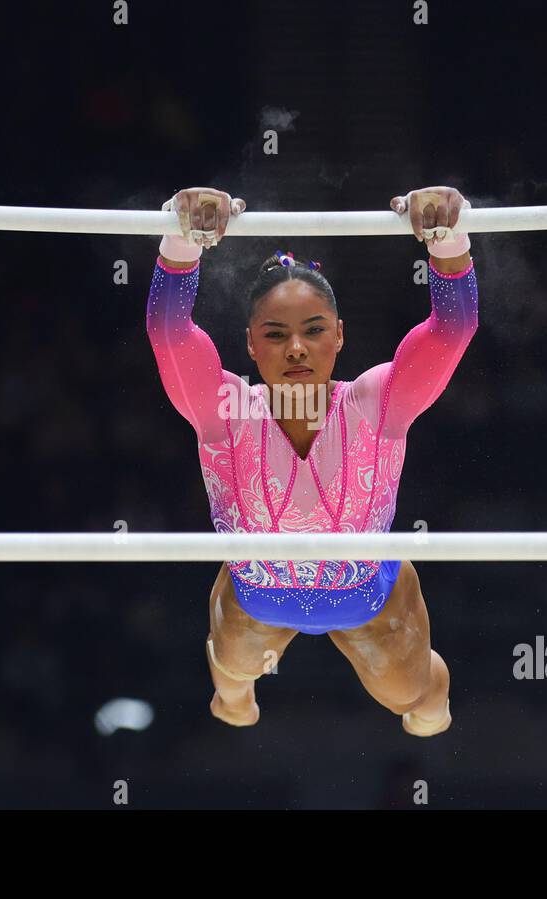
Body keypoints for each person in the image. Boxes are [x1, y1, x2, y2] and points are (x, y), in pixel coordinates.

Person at [146, 186, 478, 735]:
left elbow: (453, 329)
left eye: (314, 330)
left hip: (367, 595)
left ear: (340, 336)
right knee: (233, 684)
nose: (296, 348)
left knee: (417, 704)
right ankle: (235, 699)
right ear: (251, 345)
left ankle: (432, 697)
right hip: (257, 597)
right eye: (275, 335)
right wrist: (182, 238)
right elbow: (168, 332)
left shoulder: (378, 401)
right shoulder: (224, 410)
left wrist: (448, 239)